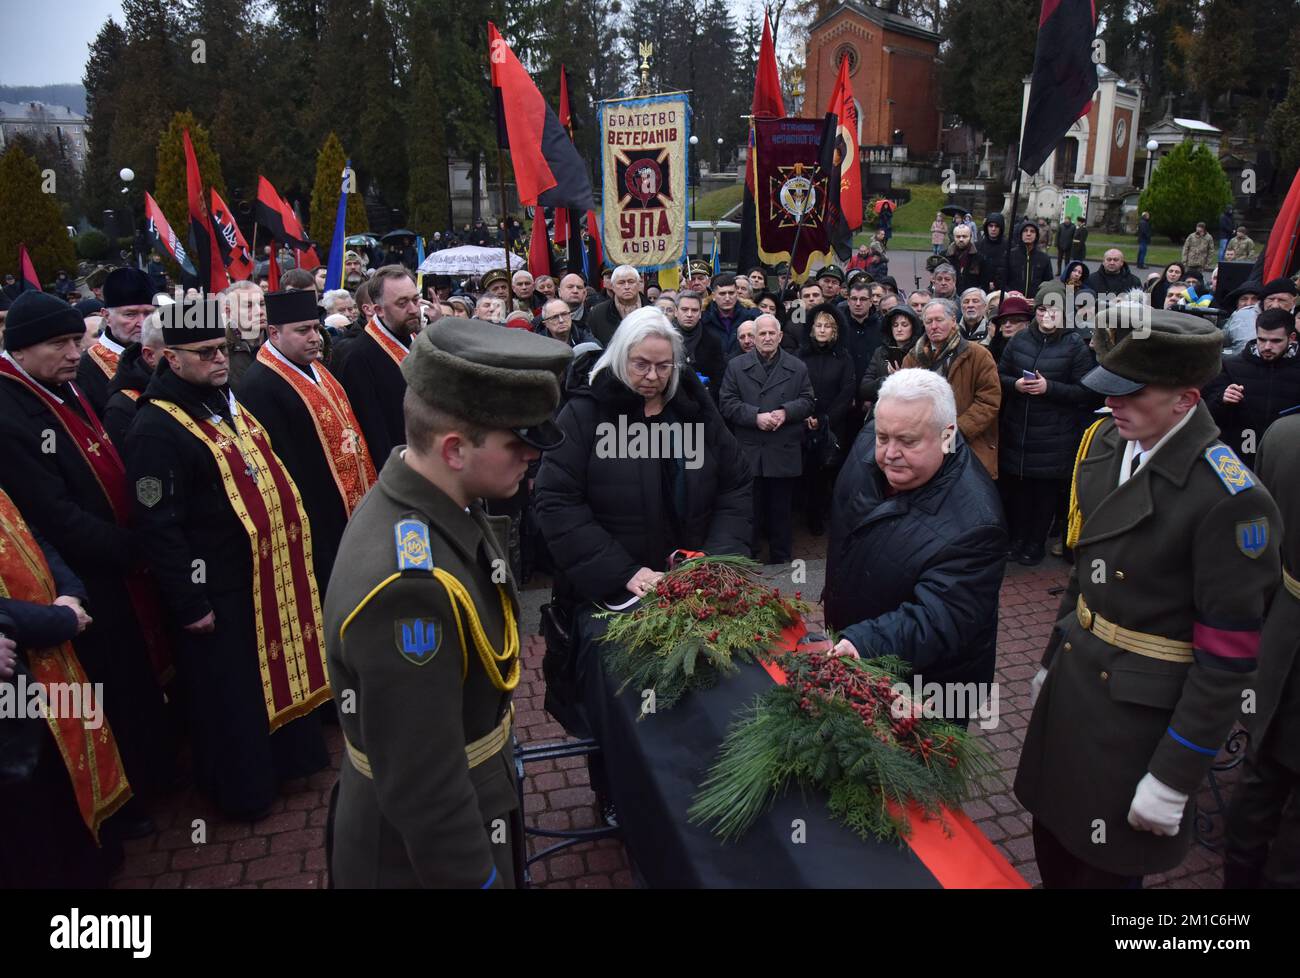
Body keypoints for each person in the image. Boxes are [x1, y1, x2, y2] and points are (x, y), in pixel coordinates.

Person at [1015, 307, 1281, 888]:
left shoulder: (1229, 498)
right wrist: (1049, 660)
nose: (1113, 404)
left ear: (1185, 401)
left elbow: (1227, 659)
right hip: (1075, 686)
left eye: (1131, 393)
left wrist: (1174, 776)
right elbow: (1089, 565)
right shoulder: (1110, 441)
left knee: (1102, 871)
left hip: (1139, 725)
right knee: (1052, 844)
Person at [326, 320, 571, 888]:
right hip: (423, 858)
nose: (530, 459)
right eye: (517, 444)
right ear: (455, 449)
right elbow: (424, 787)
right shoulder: (409, 589)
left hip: (472, 797)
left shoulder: (432, 494)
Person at [127, 294, 330, 819]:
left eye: (223, 349)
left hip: (261, 574)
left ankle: (288, 763)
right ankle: (244, 793)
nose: (219, 359)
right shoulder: (154, 428)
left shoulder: (223, 399)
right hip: (215, 587)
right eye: (204, 352)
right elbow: (158, 524)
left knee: (267, 677)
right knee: (232, 697)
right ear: (171, 359)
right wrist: (190, 602)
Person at [0, 291, 172, 821]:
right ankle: (131, 797)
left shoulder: (59, 384)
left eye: (77, 339)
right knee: (110, 684)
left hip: (116, 562)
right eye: (59, 343)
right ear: (21, 350)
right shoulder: (9, 412)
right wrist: (130, 549)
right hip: (84, 577)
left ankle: (155, 773)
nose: (75, 352)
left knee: (135, 673)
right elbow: (51, 513)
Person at [823, 369, 1008, 725]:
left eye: (908, 442)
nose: (889, 453)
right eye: (882, 437)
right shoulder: (883, 434)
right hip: (857, 652)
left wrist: (866, 642)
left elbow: (940, 618)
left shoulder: (977, 525)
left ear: (947, 437)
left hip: (923, 690)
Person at [0, 486, 128, 888]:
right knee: (33, 808)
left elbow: (33, 535)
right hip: (17, 684)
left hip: (54, 660)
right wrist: (59, 621)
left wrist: (70, 594)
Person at [235, 289, 378, 596]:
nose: (315, 337)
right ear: (274, 333)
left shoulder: (317, 369)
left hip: (350, 508)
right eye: (302, 331)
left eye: (315, 327)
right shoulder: (258, 384)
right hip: (316, 517)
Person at [1222, 413, 1300, 887]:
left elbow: (1259, 539)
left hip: (1281, 627)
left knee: (1261, 765)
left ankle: (1240, 872)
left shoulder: (1284, 433)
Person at [997, 286, 1097, 565]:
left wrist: (1049, 387)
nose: (1046, 316)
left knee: (1043, 497)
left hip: (1054, 436)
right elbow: (999, 375)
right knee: (1019, 493)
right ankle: (1017, 540)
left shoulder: (1075, 345)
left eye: (1052, 310)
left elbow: (1086, 391)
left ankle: (1034, 544)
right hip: (1019, 431)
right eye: (1041, 310)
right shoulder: (1019, 341)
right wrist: (1015, 384)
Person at [720, 314, 815, 564]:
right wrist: (756, 417)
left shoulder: (797, 367)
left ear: (780, 336)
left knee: (781, 514)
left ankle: (782, 564)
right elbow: (727, 403)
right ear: (753, 337)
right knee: (749, 513)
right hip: (749, 452)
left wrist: (786, 411)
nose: (767, 338)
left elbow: (808, 401)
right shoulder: (736, 366)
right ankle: (747, 563)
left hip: (783, 451)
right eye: (761, 333)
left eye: (772, 333)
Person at [902, 298, 1001, 478]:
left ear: (953, 321)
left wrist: (955, 432)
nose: (934, 326)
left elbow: (988, 400)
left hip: (969, 445)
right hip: (925, 445)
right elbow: (903, 399)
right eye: (929, 321)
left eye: (939, 320)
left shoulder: (978, 355)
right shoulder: (912, 358)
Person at [335, 266, 421, 463]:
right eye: (402, 303)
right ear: (378, 310)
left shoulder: (418, 338)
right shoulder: (358, 358)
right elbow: (372, 433)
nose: (413, 309)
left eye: (415, 299)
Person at [1202, 308, 1300, 470]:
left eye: (1276, 341)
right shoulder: (1230, 367)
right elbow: (1206, 416)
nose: (1267, 346)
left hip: (1288, 460)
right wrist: (1222, 399)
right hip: (1239, 460)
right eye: (1262, 339)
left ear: (1292, 338)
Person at [797, 303, 855, 534]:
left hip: (832, 425)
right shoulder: (800, 355)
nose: (822, 330)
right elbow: (794, 387)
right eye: (818, 325)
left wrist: (824, 419)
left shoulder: (843, 357)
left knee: (827, 472)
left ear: (835, 330)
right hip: (802, 421)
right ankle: (805, 515)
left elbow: (847, 392)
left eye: (827, 326)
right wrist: (805, 415)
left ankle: (821, 517)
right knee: (805, 473)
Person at [77, 267, 155, 418]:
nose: (142, 322)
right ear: (106, 316)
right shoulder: (86, 368)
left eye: (148, 313)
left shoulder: (165, 353)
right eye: (130, 314)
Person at [103, 308, 166, 447]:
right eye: (202, 352)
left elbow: (223, 442)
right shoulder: (123, 407)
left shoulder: (209, 384)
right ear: (150, 356)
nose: (219, 359)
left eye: (220, 348)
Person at [859, 305, 921, 407]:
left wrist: (902, 378)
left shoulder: (920, 352)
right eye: (895, 325)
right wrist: (888, 379)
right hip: (884, 409)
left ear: (913, 328)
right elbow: (864, 389)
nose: (899, 329)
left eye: (904, 325)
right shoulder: (880, 352)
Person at [674, 290, 725, 399]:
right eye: (684, 309)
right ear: (675, 311)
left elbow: (718, 378)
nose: (689, 314)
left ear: (700, 313)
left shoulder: (713, 340)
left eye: (694, 310)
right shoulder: (664, 338)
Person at [587, 265, 648, 346]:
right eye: (621, 282)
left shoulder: (652, 311)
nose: (627, 287)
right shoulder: (597, 313)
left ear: (638, 284)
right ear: (612, 286)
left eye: (631, 282)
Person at [701, 273, 760, 356]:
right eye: (722, 294)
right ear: (713, 296)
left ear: (736, 294)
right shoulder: (703, 319)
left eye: (731, 293)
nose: (727, 298)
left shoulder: (751, 317)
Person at [1008, 221, 1055, 298]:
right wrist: (1013, 295)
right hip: (1013, 302)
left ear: (1036, 236)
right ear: (1021, 234)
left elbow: (1048, 284)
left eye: (1032, 231)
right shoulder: (1010, 255)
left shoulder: (1044, 258)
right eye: (1025, 231)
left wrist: (1039, 298)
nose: (1028, 234)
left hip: (1035, 303)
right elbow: (1002, 281)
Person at [945, 225, 986, 296]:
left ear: (970, 236)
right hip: (949, 296)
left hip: (972, 298)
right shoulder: (944, 256)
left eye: (964, 236)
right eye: (958, 236)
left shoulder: (979, 258)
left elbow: (984, 283)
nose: (961, 239)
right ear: (954, 237)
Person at [976, 212, 1006, 291]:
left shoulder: (1008, 246)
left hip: (1001, 288)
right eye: (991, 226)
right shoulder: (978, 246)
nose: (993, 229)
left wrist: (996, 283)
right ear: (986, 227)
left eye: (996, 226)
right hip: (980, 287)